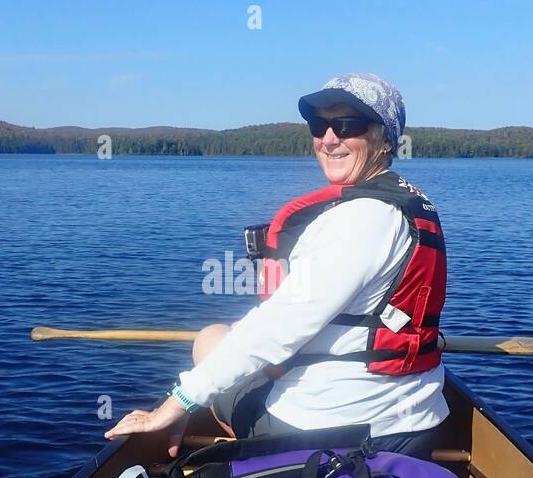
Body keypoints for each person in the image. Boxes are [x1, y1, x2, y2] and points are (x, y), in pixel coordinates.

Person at [105, 73, 449, 457]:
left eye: (348, 125)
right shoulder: (406, 204)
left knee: (208, 342)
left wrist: (179, 403)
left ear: (386, 140)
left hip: (334, 434)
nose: (329, 139)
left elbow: (278, 326)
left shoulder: (362, 218)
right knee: (225, 338)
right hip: (417, 422)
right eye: (320, 125)